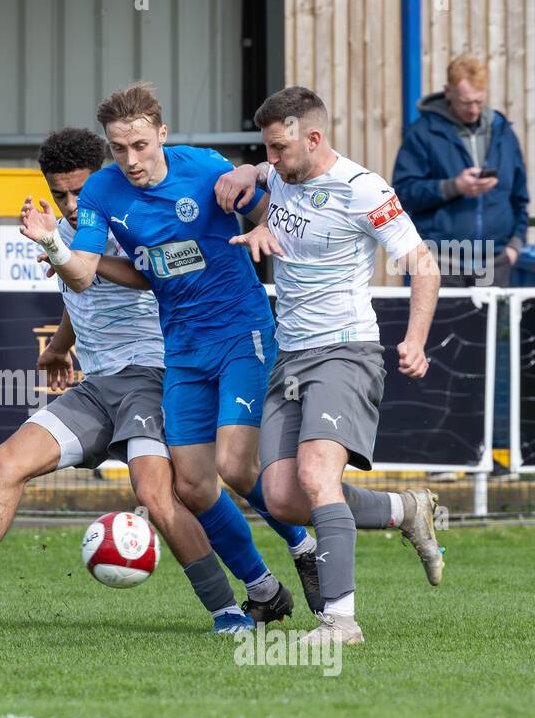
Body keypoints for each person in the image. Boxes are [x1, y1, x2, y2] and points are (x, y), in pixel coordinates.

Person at [0, 128, 269, 633]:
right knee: (6, 460)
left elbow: (92, 275)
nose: (71, 204)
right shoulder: (66, 230)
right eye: (60, 194)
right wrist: (59, 346)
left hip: (152, 374)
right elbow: (80, 291)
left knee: (157, 495)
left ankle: (230, 609)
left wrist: (60, 250)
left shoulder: (129, 220)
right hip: (97, 387)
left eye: (79, 191)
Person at [22, 82, 319, 621]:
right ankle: (263, 592)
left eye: (140, 145)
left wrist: (254, 179)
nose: (130, 160)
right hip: (180, 347)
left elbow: (276, 218)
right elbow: (86, 273)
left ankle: (305, 546)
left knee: (234, 464)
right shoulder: (100, 194)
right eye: (118, 148)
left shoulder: (206, 170)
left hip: (240, 332)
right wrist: (52, 243)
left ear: (161, 134)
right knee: (193, 484)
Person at [223, 86, 445, 646]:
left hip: (345, 352)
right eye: (265, 149)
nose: (271, 160)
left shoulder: (364, 189)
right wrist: (251, 178)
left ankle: (340, 622)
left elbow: (424, 265)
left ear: (313, 138)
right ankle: (404, 509)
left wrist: (416, 341)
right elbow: (258, 181)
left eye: (279, 149)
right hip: (290, 355)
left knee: (318, 477)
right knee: (281, 496)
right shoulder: (280, 174)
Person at [392, 56, 529, 287]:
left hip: (496, 266)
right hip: (439, 264)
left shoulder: (504, 134)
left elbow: (520, 197)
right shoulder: (423, 134)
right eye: (466, 102)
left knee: (493, 325)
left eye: (479, 101)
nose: (474, 110)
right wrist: (453, 187)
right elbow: (403, 193)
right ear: (448, 92)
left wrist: (515, 246)